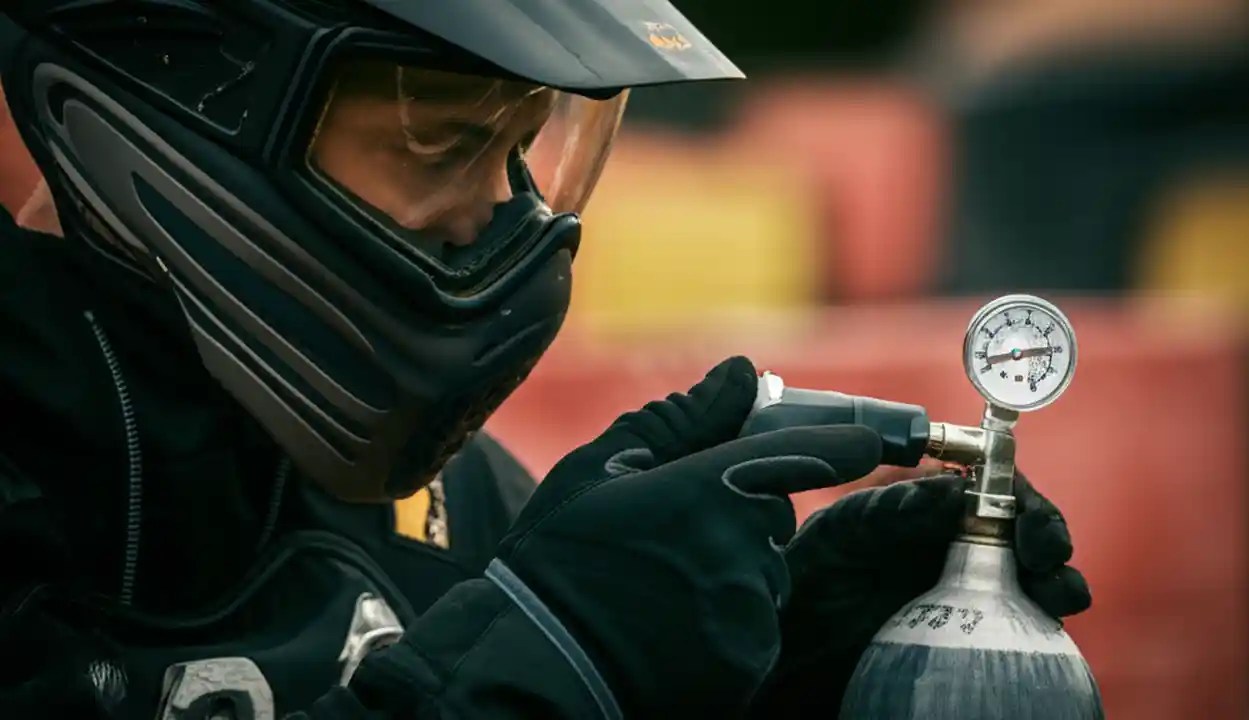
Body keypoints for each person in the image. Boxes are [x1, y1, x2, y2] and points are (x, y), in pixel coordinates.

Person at [0, 1, 1092, 718]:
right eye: (441, 141)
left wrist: (770, 670)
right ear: (172, 91)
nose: (496, 210)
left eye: (520, 142)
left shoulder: (446, 505)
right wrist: (551, 660)